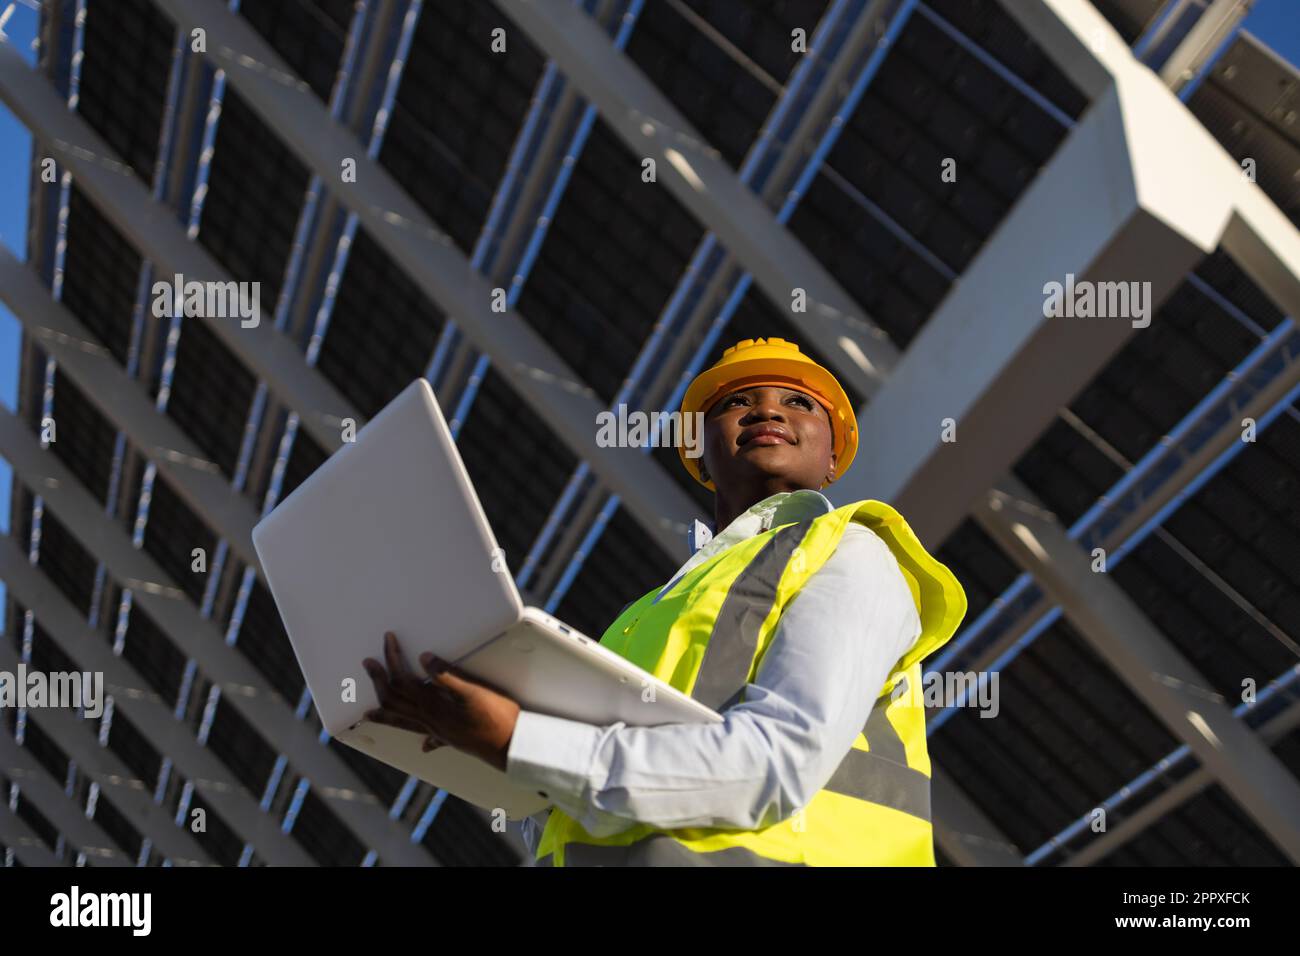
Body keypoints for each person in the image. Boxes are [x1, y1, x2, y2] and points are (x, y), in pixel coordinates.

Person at [362, 336, 966, 866]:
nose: (764, 409)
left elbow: (778, 764)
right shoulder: (641, 616)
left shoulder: (852, 551)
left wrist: (518, 741)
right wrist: (486, 752)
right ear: (700, 454)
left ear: (833, 457)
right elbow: (575, 811)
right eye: (735, 403)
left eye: (798, 402)